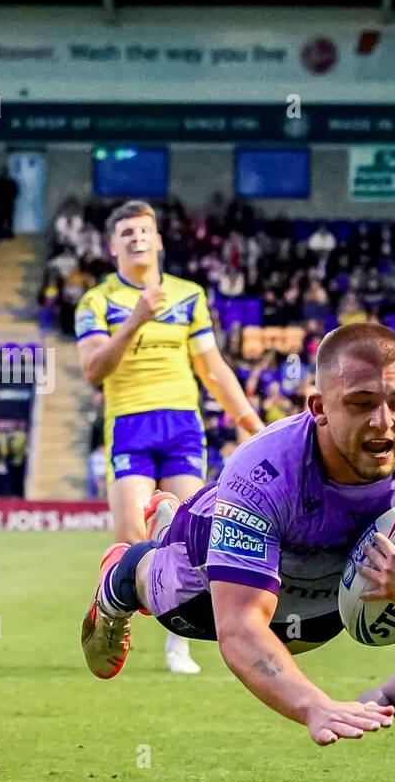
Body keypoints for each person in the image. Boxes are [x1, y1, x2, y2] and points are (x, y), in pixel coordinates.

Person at [79, 323, 395, 746]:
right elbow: (240, 626)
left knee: (300, 638)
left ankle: (166, 519)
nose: (384, 422)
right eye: (361, 403)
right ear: (319, 408)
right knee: (173, 602)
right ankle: (125, 573)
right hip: (207, 565)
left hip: (323, 595)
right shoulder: (263, 470)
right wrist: (314, 706)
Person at [75, 200, 265, 675]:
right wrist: (137, 318)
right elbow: (94, 369)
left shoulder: (189, 295)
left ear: (158, 240)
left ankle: (178, 645)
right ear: (112, 245)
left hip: (181, 423)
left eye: (145, 230)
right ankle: (116, 618)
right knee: (131, 538)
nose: (137, 238)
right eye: (127, 233)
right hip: (129, 425)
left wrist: (256, 429)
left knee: (192, 540)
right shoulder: (96, 301)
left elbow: (213, 369)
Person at [0, 170, 19, 240]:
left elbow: (16, 192)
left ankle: (8, 234)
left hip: (8, 205)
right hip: (0, 205)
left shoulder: (10, 182)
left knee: (8, 220)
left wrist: (10, 199)